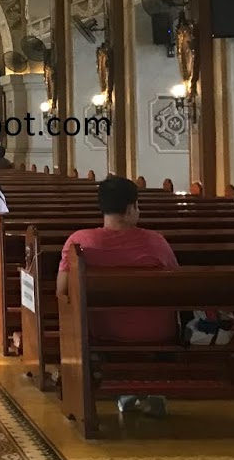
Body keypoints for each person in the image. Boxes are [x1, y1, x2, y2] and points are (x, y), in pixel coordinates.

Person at [57, 175, 178, 416]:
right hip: (158, 332)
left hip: (102, 330)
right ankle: (149, 387)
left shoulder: (79, 242)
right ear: (132, 207)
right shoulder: (156, 242)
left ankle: (124, 386)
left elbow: (62, 292)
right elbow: (176, 284)